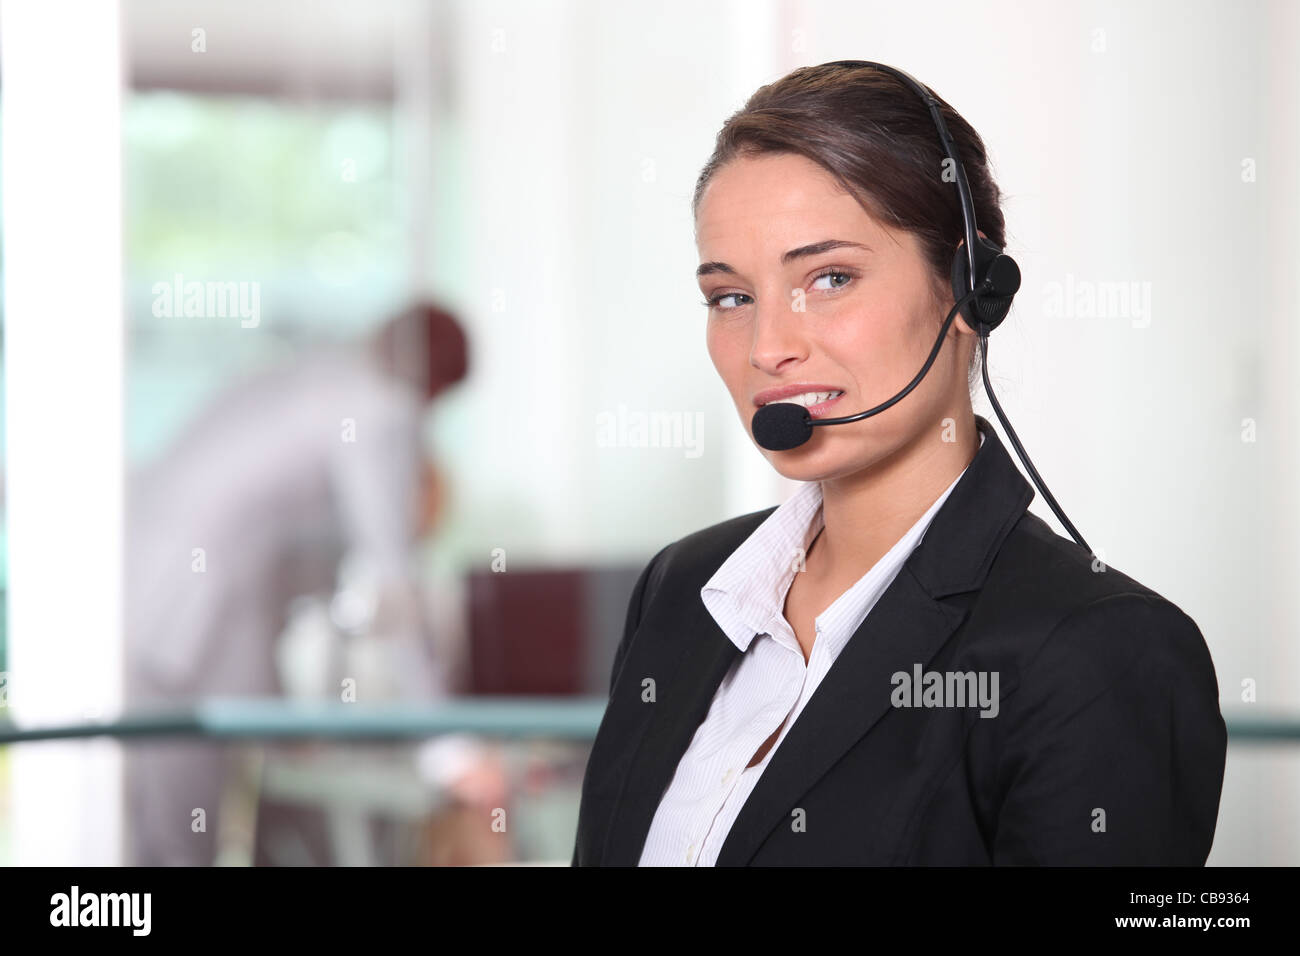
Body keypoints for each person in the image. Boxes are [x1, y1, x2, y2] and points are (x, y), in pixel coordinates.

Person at [572, 61, 1227, 866]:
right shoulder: (686, 588)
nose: (770, 348)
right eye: (731, 297)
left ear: (969, 290)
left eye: (831, 277)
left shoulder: (1098, 653)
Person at [123, 301, 470, 866]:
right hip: (184, 617)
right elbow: (392, 584)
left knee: (164, 830)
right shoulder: (377, 407)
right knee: (175, 843)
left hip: (146, 589)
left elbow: (271, 597)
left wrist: (291, 727)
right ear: (434, 387)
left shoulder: (316, 373)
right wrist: (447, 750)